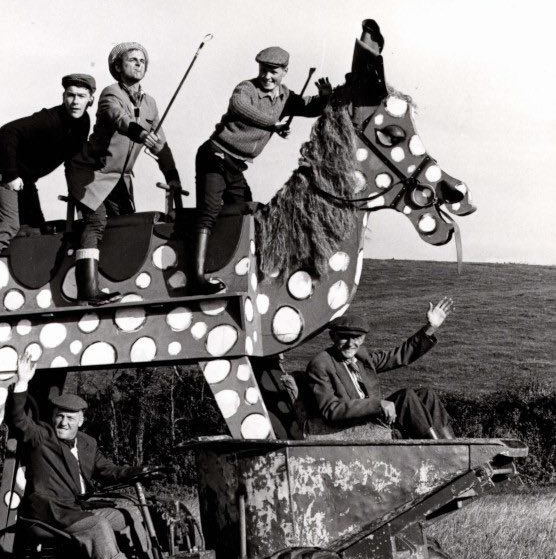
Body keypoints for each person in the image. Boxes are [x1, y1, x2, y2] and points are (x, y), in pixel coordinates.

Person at [9, 348, 151, 559]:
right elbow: (18, 420)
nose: (63, 423)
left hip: (78, 508)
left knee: (128, 513)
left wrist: (138, 471)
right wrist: (22, 382)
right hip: (51, 513)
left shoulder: (87, 443)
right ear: (53, 417)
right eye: (59, 416)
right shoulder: (42, 436)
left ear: (81, 420)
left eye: (70, 418)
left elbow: (108, 471)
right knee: (98, 525)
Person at [191, 46, 334, 295]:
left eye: (273, 71)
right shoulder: (246, 88)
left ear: (285, 71)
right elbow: (239, 107)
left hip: (235, 165)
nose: (267, 76)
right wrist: (273, 124)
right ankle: (197, 278)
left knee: (244, 212)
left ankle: (232, 272)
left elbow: (310, 108)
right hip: (214, 155)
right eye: (263, 70)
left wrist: (324, 97)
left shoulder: (286, 97)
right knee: (209, 212)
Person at [0, 74, 96, 314]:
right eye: (70, 95)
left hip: (26, 176)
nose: (75, 101)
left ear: (90, 99)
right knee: (8, 223)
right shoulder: (50, 119)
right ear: (63, 97)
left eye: (81, 96)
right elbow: (8, 131)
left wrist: (79, 192)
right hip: (2, 163)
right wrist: (10, 174)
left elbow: (72, 161)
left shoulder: (83, 124)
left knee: (35, 228)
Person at [65, 42, 183, 305]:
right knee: (96, 221)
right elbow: (118, 118)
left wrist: (172, 176)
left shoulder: (150, 103)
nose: (139, 64)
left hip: (119, 177)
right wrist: (140, 133)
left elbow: (161, 145)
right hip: (90, 172)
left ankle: (119, 285)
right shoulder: (111, 93)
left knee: (127, 224)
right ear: (118, 67)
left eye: (143, 61)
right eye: (132, 60)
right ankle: (87, 291)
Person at [305, 298, 456, 439]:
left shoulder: (361, 356)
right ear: (333, 336)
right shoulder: (321, 364)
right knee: (406, 397)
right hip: (355, 423)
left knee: (427, 395)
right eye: (344, 337)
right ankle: (436, 448)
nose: (351, 344)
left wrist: (431, 327)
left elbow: (400, 355)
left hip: (375, 415)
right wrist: (377, 405)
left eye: (356, 337)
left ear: (363, 338)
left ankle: (454, 445)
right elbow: (331, 410)